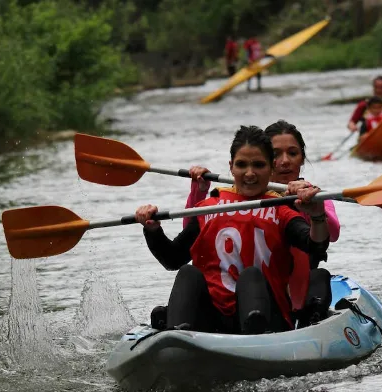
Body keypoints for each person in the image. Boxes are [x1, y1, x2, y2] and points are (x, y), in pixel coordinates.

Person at [136, 126, 329, 334]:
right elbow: (172, 259)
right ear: (231, 167)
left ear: (271, 168)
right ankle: (177, 335)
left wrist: (317, 216)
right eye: (242, 165)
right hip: (213, 321)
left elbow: (316, 246)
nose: (250, 173)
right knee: (187, 273)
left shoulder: (282, 209)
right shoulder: (208, 208)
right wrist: (153, 230)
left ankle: (256, 335)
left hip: (268, 318)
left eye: (258, 165)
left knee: (251, 275)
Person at [183, 120, 341, 327]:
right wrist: (200, 191)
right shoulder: (237, 196)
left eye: (292, 153)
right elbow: (193, 233)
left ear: (302, 158)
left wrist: (311, 207)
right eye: (276, 154)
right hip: (246, 287)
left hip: (292, 286)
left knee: (320, 276)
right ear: (268, 159)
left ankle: (311, 322)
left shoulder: (313, 193)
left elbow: (332, 233)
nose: (285, 161)